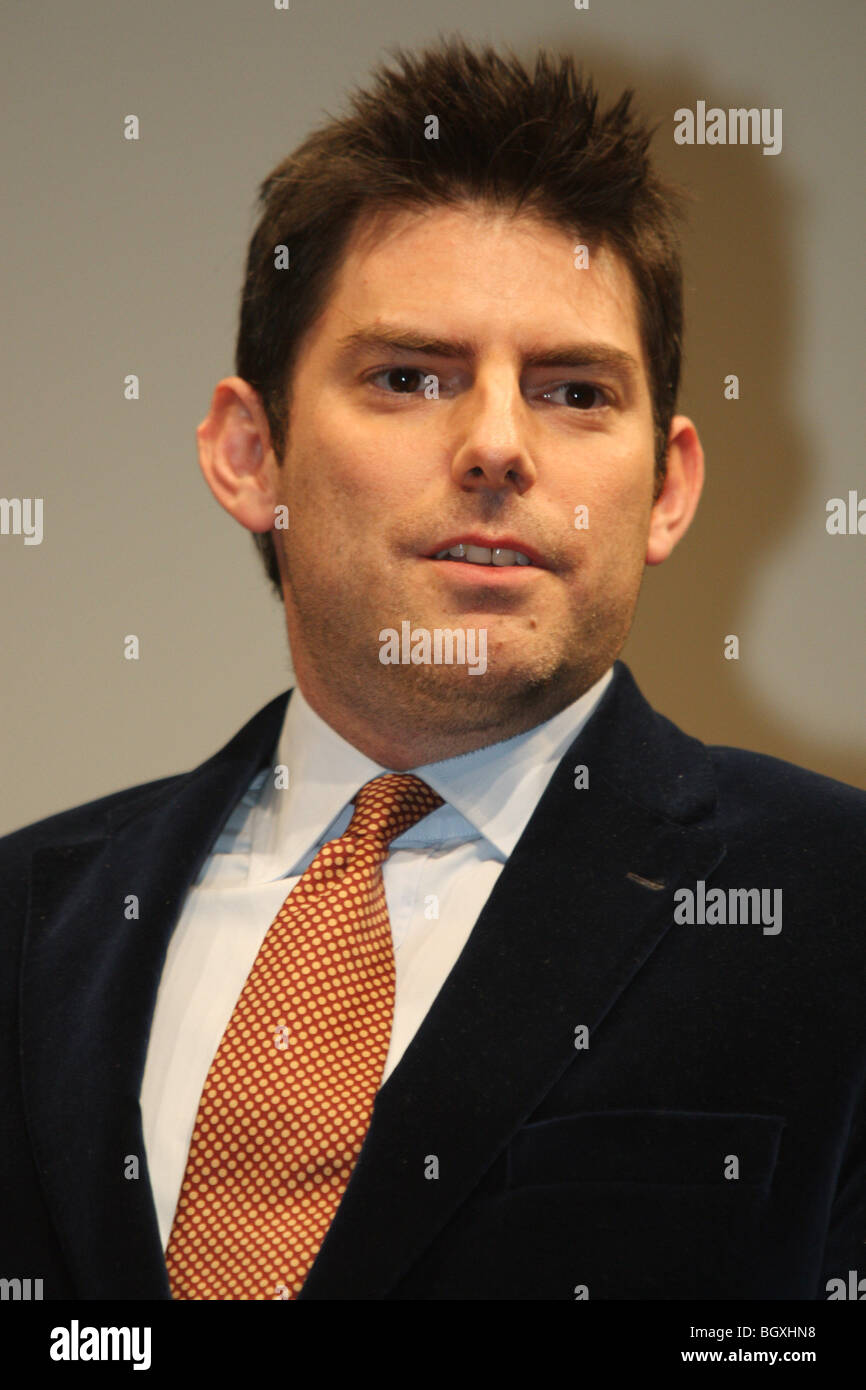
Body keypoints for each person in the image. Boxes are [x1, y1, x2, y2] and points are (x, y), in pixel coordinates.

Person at [1, 36, 863, 1303]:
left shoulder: (838, 914)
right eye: (409, 377)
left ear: (667, 488)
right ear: (250, 454)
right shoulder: (26, 920)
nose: (499, 446)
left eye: (573, 391)